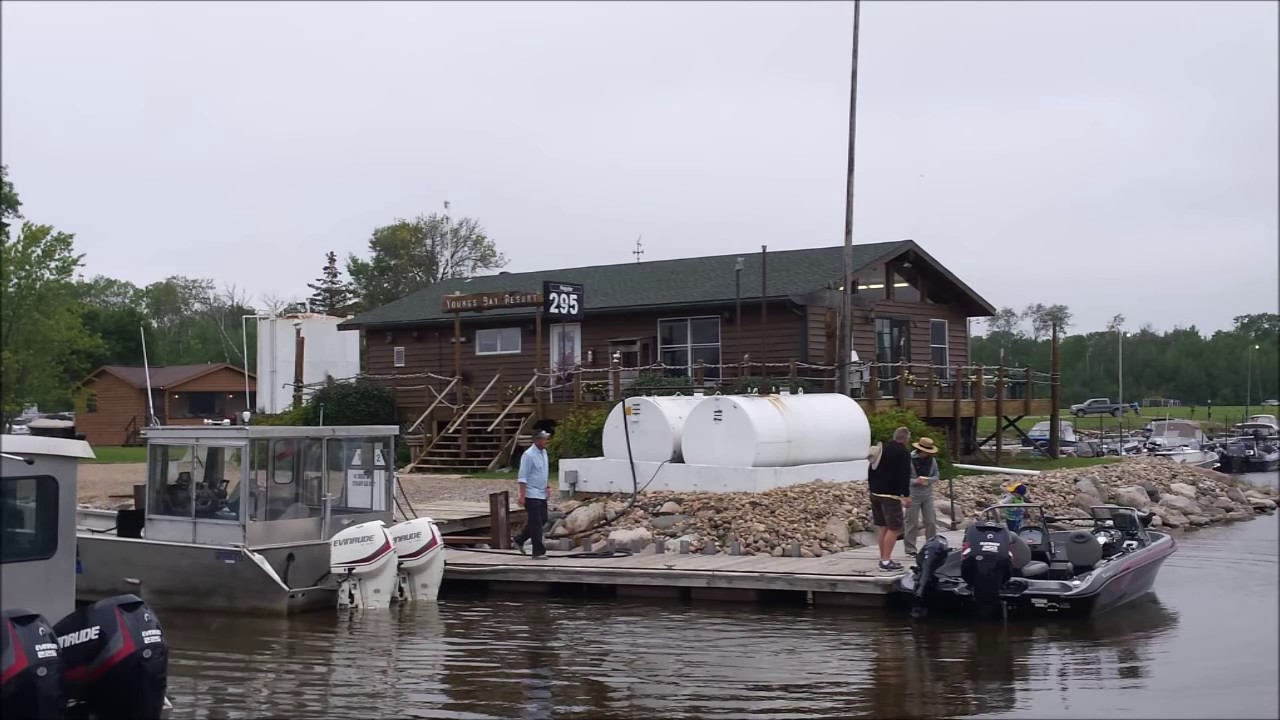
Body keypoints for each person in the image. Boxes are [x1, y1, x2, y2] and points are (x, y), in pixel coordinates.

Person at [868, 426, 913, 571]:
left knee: (883, 527)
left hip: (875, 493)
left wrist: (872, 487)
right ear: (906, 439)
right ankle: (886, 561)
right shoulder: (903, 453)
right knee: (894, 527)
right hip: (890, 495)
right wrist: (906, 495)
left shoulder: (882, 449)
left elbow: (871, 468)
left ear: (895, 436)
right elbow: (904, 475)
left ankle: (883, 558)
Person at [512, 430, 552, 560]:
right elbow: (522, 476)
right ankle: (538, 552)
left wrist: (547, 486)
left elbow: (543, 472)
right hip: (531, 492)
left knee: (543, 518)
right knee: (536, 523)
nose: (546, 441)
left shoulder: (544, 453)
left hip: (541, 492)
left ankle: (520, 538)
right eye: (544, 439)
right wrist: (522, 495)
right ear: (537, 440)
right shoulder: (528, 455)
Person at [902, 436, 940, 557]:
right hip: (913, 493)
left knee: (931, 521)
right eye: (925, 451)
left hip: (927, 494)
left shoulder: (932, 461)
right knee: (911, 522)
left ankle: (931, 545)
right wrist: (915, 481)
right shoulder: (909, 460)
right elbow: (903, 478)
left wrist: (929, 480)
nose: (927, 454)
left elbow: (937, 475)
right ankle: (910, 549)